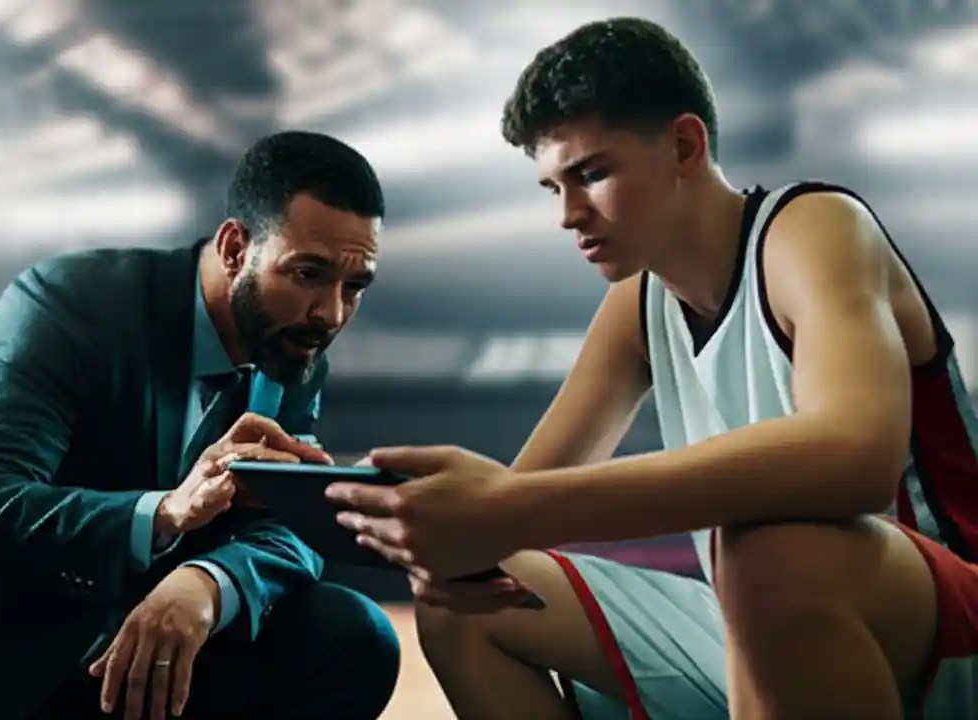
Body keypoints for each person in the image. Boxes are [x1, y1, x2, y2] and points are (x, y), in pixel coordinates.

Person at [326, 17, 978, 720]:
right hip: (758, 615)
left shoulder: (815, 229)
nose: (570, 216)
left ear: (684, 145)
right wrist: (396, 514)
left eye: (593, 174)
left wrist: (510, 505)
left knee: (769, 546)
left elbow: (857, 461)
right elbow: (517, 505)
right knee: (468, 600)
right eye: (554, 189)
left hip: (944, 625)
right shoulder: (636, 303)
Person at [0, 131, 400, 720]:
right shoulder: (70, 303)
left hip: (110, 659)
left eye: (355, 286)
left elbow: (285, 524)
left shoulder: (291, 347)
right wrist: (164, 512)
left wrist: (208, 582)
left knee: (350, 635)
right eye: (307, 274)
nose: (332, 313)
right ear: (234, 248)